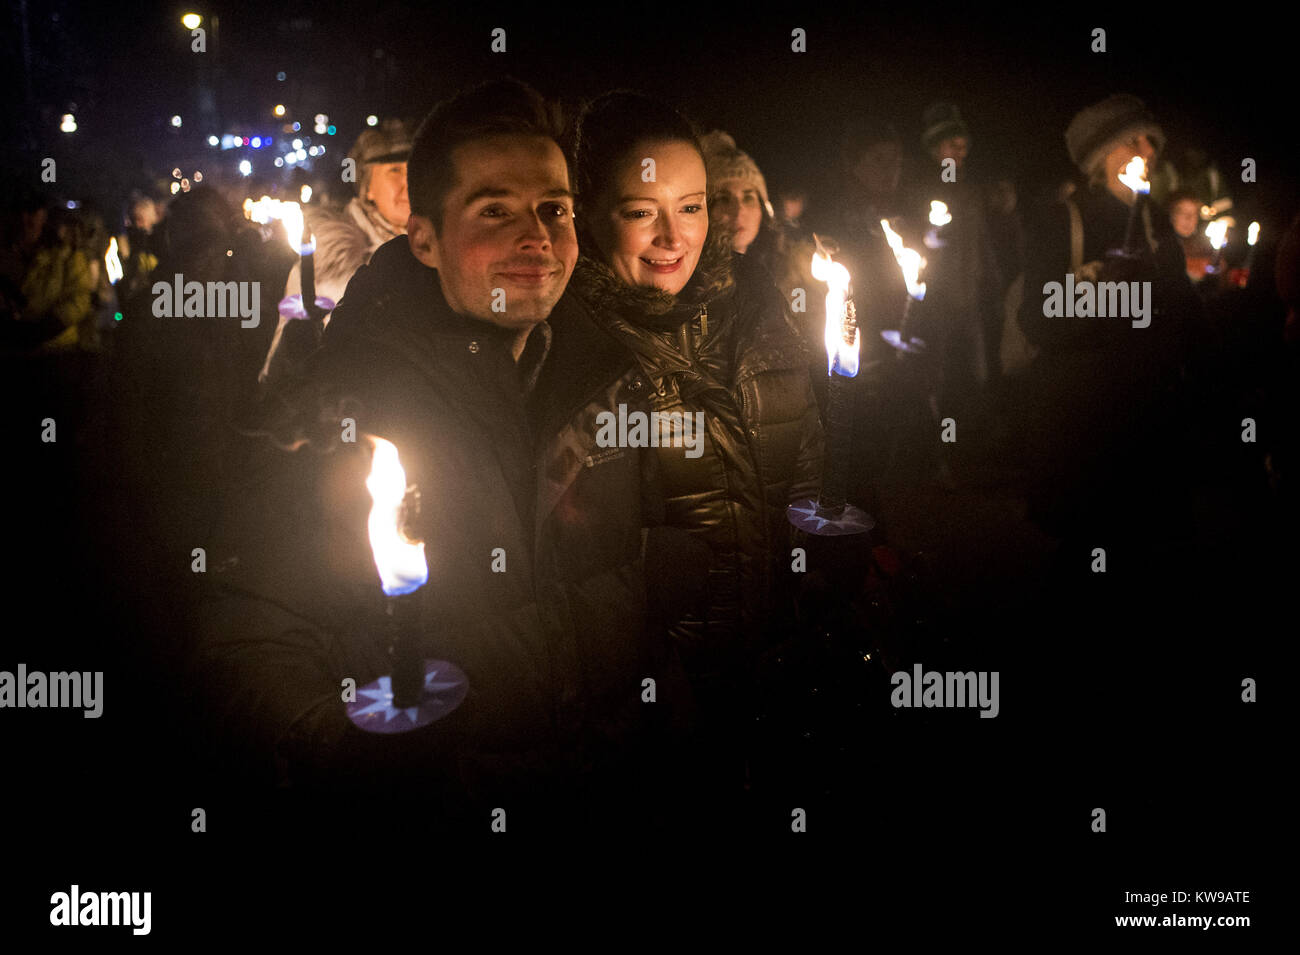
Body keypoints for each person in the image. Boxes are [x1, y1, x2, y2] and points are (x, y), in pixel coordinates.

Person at [196, 80, 696, 831]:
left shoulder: (613, 379)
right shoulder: (343, 413)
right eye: (494, 209)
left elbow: (657, 587)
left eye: (553, 209)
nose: (536, 237)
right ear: (423, 238)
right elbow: (250, 635)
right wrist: (356, 764)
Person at [569, 91, 823, 791]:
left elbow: (809, 459)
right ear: (589, 211)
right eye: (639, 211)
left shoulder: (758, 310)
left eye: (691, 205)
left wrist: (826, 566)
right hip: (653, 712)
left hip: (775, 666)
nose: (673, 236)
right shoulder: (571, 353)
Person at [259, 119, 414, 384]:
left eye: (414, 170)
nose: (408, 182)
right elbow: (279, 373)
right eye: (395, 171)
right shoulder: (326, 261)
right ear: (368, 188)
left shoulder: (439, 252)